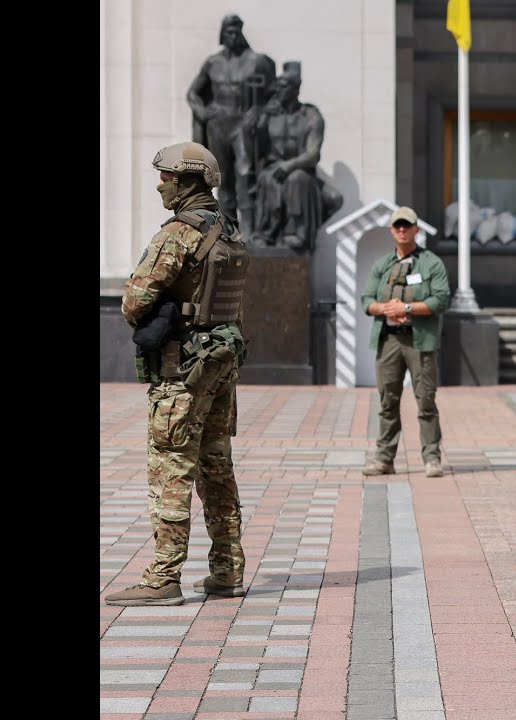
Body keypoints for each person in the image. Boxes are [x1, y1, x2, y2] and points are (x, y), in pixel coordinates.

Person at [106, 142, 251, 606]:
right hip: (219, 366)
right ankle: (227, 570)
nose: (159, 185)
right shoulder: (229, 229)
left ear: (187, 181)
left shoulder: (178, 233)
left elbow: (134, 302)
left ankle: (163, 577)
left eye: (166, 177)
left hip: (181, 372)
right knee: (216, 467)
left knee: (171, 467)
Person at [360, 206, 453, 478]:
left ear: (416, 229)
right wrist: (386, 309)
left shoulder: (431, 263)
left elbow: (441, 299)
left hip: (420, 342)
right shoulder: (382, 264)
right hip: (388, 341)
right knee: (387, 402)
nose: (402, 230)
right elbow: (366, 300)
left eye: (407, 225)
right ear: (392, 230)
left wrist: (407, 308)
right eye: (398, 225)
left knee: (426, 402)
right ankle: (384, 459)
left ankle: (432, 459)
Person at [237, 60, 344, 250]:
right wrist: (247, 131)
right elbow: (254, 154)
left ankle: (297, 232)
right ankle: (269, 234)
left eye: (284, 87)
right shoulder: (267, 116)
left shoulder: (310, 115)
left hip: (301, 171)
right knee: (271, 180)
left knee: (299, 180)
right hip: (271, 171)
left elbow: (313, 155)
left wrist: (288, 166)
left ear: (296, 89)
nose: (278, 90)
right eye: (278, 86)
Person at [186, 14, 277, 227]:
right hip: (218, 126)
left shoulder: (257, 61)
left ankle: (250, 231)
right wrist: (202, 112)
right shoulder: (212, 63)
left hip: (243, 125)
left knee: (246, 175)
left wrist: (260, 111)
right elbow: (192, 93)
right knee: (224, 180)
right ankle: (228, 231)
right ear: (222, 34)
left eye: (236, 32)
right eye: (229, 32)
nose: (233, 36)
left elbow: (275, 95)